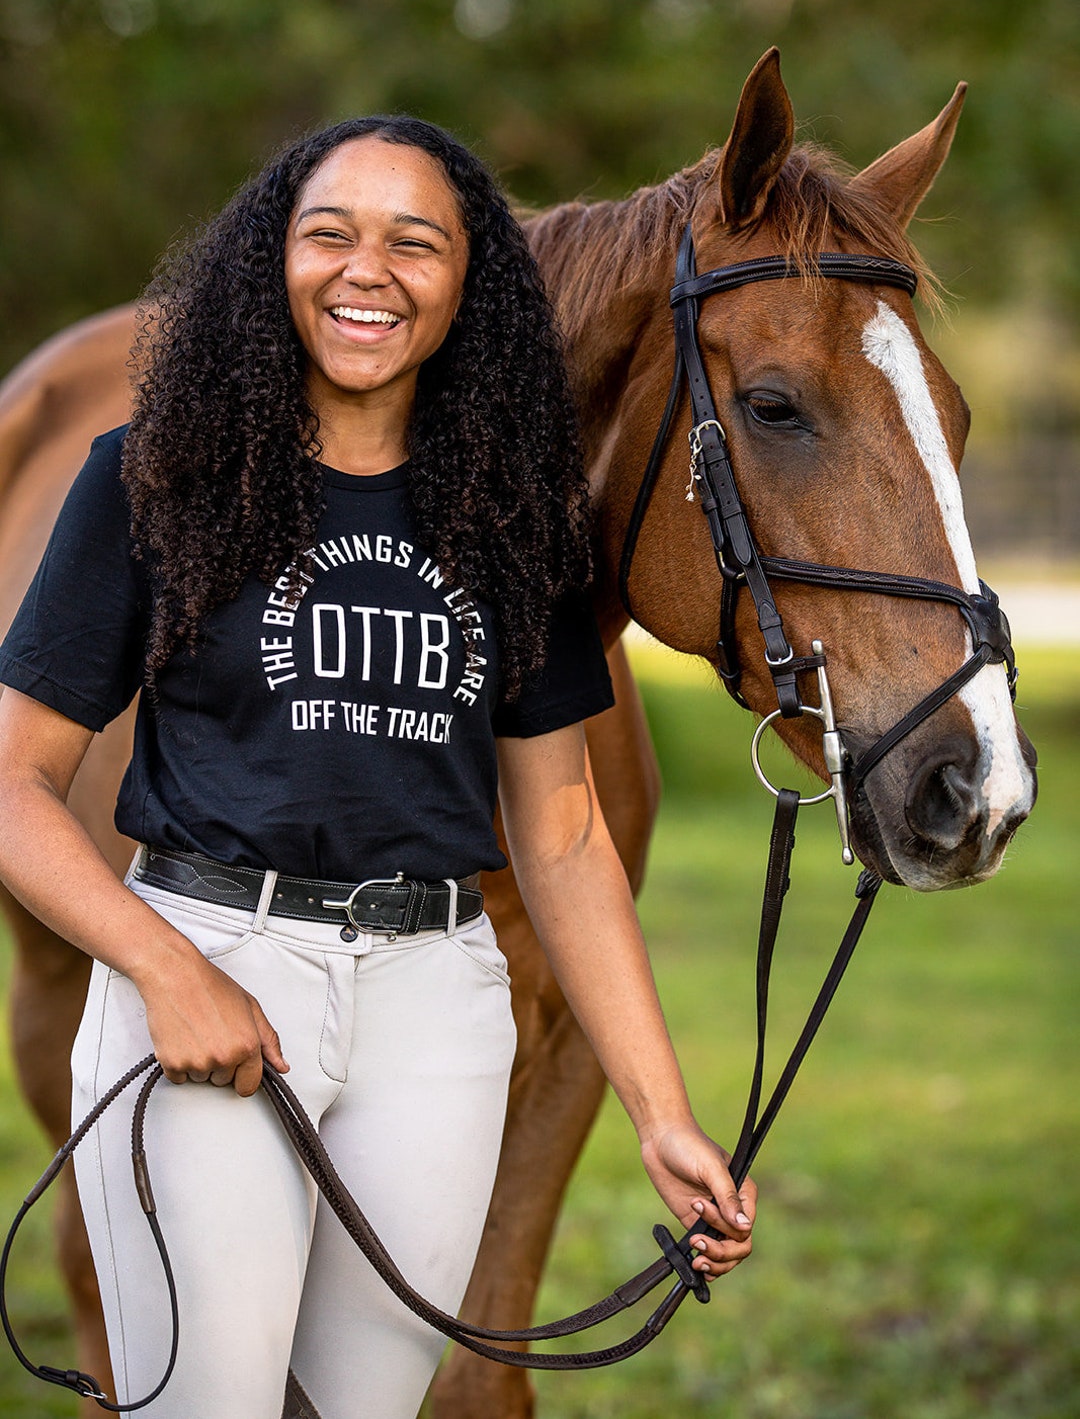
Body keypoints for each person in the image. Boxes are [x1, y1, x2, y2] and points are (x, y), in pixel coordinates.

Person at [0, 117, 755, 1419]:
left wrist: (662, 1112)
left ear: (475, 287)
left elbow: (565, 835)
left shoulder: (517, 521)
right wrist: (169, 971)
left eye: (419, 242)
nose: (370, 271)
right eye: (330, 234)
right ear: (266, 264)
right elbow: (13, 784)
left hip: (436, 1000)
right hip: (217, 978)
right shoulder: (152, 482)